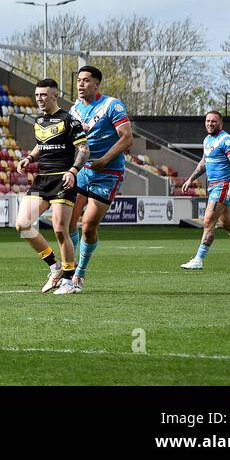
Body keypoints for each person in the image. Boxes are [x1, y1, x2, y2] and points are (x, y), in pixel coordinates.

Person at [13, 79, 89, 293]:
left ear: (55, 95)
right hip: (42, 179)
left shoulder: (70, 120)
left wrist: (73, 171)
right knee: (22, 225)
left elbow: (84, 149)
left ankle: (68, 279)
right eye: (37, 95)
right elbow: (42, 144)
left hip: (63, 178)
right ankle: (55, 267)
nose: (40, 99)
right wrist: (29, 158)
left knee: (59, 230)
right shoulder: (39, 121)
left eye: (44, 95)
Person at [64, 66, 134, 293]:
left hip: (108, 173)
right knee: (67, 222)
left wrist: (104, 160)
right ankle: (70, 268)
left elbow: (127, 138)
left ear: (97, 84)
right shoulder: (74, 110)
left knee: (88, 227)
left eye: (86, 80)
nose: (80, 84)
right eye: (78, 81)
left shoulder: (111, 105)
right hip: (83, 170)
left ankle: (80, 273)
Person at [180, 111, 230, 270]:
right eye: (207, 121)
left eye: (213, 121)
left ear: (221, 123)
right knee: (227, 223)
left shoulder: (227, 140)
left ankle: (198, 259)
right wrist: (190, 179)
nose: (210, 123)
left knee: (208, 221)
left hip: (222, 185)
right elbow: (203, 163)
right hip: (213, 185)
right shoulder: (207, 140)